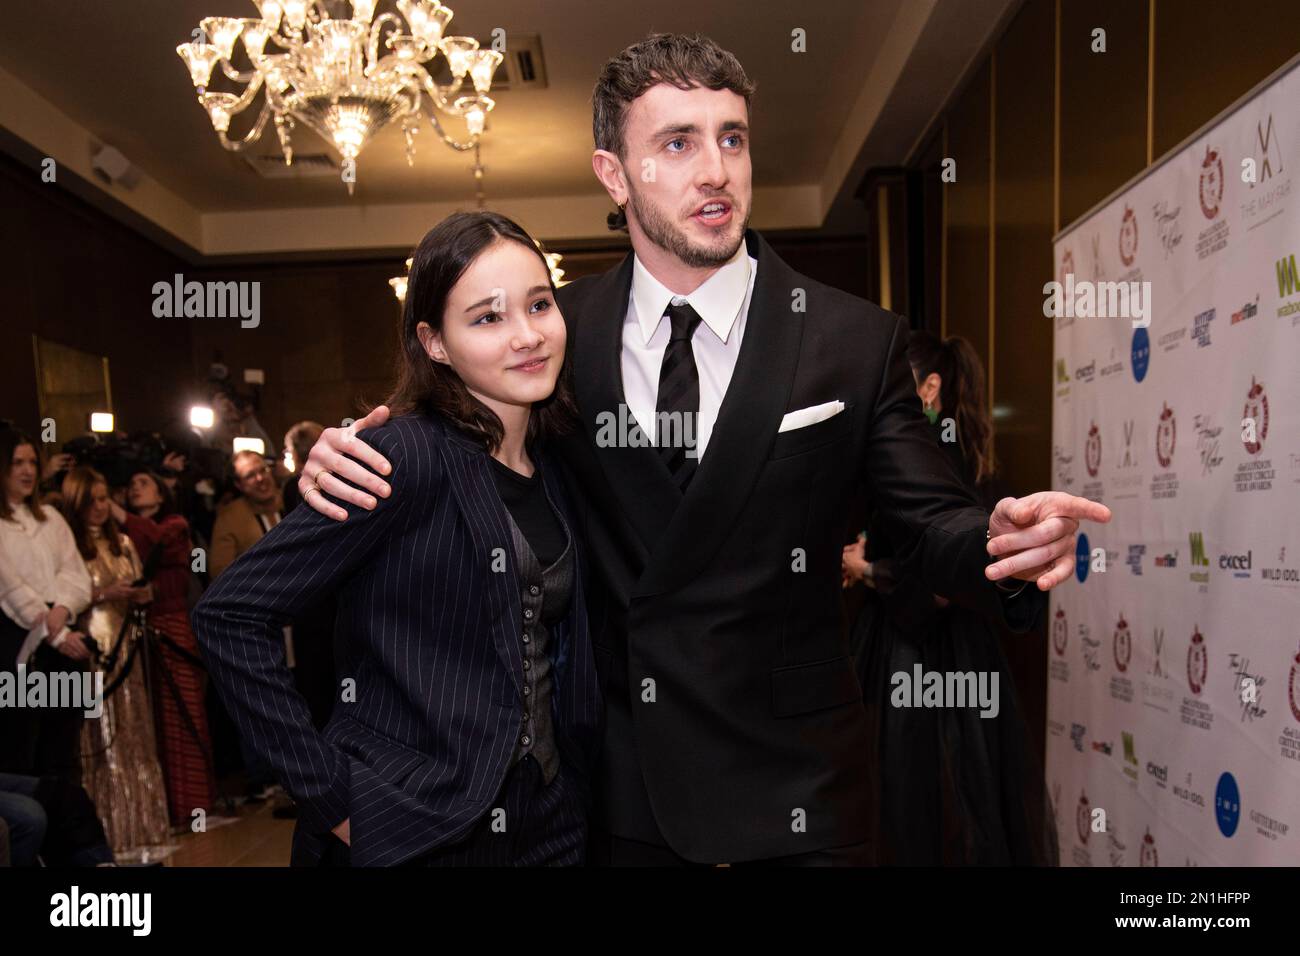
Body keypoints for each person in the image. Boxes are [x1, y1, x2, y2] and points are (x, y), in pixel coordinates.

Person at [298, 34, 1110, 866]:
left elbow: (935, 519)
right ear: (614, 175)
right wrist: (344, 453)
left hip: (801, 791)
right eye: (677, 143)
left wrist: (998, 541)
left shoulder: (850, 340)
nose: (716, 169)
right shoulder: (555, 335)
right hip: (624, 787)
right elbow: (451, 441)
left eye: (732, 137)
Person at [191, 211, 602, 867]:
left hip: (550, 818)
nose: (528, 335)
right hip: (418, 825)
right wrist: (335, 799)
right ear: (434, 342)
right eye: (488, 317)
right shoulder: (402, 454)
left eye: (539, 304)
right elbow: (229, 613)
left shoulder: (559, 462)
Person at [842, 332, 1058, 864]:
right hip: (935, 647)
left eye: (897, 388)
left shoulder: (935, 453)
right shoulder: (955, 446)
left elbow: (939, 577)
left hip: (921, 654)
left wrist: (865, 568)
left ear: (929, 387)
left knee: (917, 804)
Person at [61, 466, 170, 857]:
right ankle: (108, 834)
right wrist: (102, 593)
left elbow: (143, 583)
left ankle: (144, 826)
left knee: (136, 733)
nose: (100, 507)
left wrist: (143, 594)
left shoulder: (123, 542)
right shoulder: (69, 546)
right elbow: (64, 597)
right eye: (91, 500)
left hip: (129, 647)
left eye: (105, 497)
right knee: (102, 739)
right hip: (94, 651)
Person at [110, 470, 216, 827]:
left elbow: (158, 544)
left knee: (181, 715)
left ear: (161, 492)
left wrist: (119, 513)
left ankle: (193, 805)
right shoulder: (121, 534)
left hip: (171, 627)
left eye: (144, 483)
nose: (135, 488)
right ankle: (159, 807)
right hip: (130, 631)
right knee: (147, 720)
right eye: (132, 484)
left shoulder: (173, 525)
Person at [0, 427, 93, 783]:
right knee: (22, 749)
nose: (27, 471)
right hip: (18, 647)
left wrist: (63, 609)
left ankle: (68, 834)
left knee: (64, 750)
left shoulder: (50, 518)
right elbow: (10, 588)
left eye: (32, 463)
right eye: (16, 463)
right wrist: (55, 634)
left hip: (62, 639)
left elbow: (76, 575)